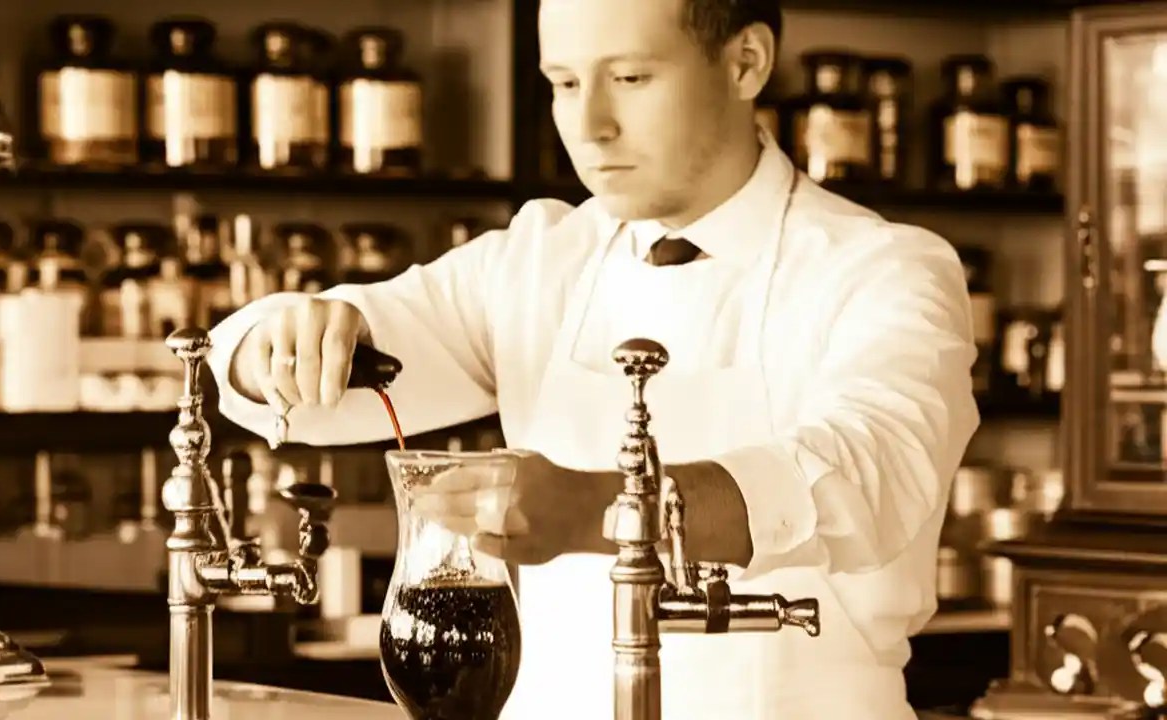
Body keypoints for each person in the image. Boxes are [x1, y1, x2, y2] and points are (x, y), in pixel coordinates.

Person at [205, 0, 980, 716]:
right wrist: (278, 337)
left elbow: (868, 473)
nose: (589, 124)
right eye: (564, 82)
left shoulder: (884, 268)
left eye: (632, 78)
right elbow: (300, 362)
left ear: (746, 62)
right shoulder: (540, 259)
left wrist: (597, 509)